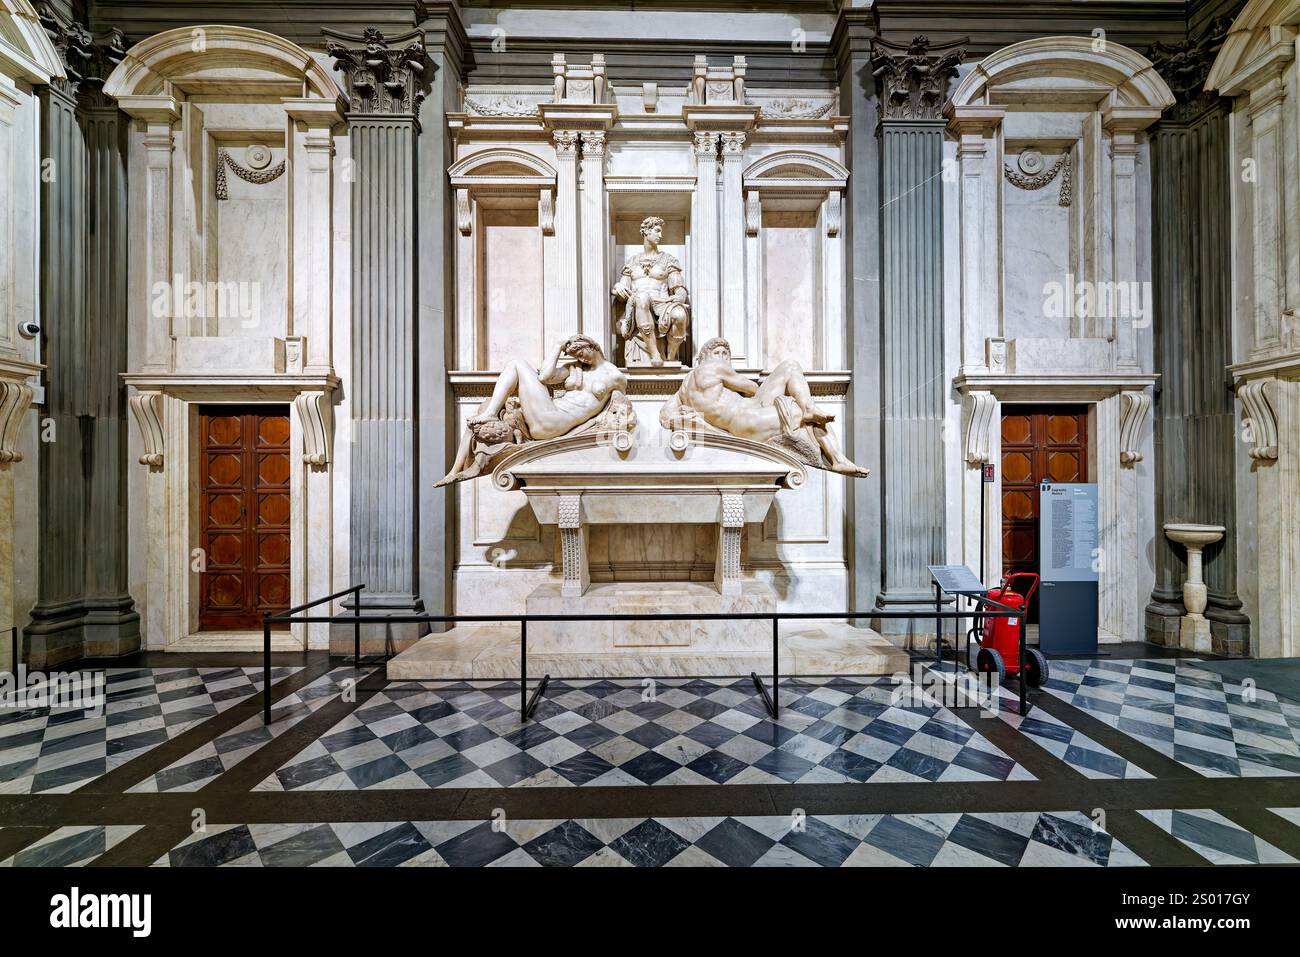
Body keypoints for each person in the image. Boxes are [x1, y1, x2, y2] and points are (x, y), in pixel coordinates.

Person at [662, 337, 870, 477]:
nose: (724, 358)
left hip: (743, 420)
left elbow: (665, 416)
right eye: (718, 353)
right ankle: (837, 458)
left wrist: (695, 419)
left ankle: (810, 410)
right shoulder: (714, 367)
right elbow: (751, 388)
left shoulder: (683, 388)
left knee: (792, 375)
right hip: (749, 416)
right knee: (793, 380)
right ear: (704, 357)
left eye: (726, 354)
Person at [436, 334, 626, 486]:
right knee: (475, 421)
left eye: (582, 352)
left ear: (592, 346)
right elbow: (544, 377)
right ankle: (454, 471)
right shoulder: (575, 369)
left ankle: (491, 413)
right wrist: (557, 347)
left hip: (556, 422)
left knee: (517, 364)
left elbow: (621, 406)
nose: (580, 357)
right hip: (548, 415)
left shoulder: (615, 375)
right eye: (576, 355)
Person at [612, 216, 691, 366]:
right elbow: (623, 291)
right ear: (646, 232)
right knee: (642, 298)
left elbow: (679, 288)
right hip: (639, 304)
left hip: (662, 303)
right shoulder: (632, 261)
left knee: (679, 314)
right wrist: (617, 287)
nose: (660, 235)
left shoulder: (668, 260)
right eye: (657, 231)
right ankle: (655, 354)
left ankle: (671, 357)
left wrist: (680, 296)